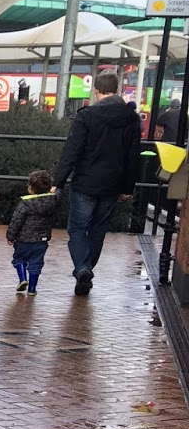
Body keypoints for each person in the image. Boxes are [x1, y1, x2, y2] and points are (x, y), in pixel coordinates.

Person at [54, 70, 137, 295]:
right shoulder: (131, 117)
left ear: (96, 90)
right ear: (117, 89)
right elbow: (132, 155)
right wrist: (127, 187)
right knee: (98, 230)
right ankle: (87, 269)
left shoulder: (87, 115)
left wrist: (58, 181)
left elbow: (72, 150)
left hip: (85, 182)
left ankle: (82, 268)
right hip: (112, 184)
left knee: (78, 228)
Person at [5, 169, 60, 295]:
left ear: (31, 188)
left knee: (19, 259)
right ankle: (32, 289)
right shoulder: (52, 201)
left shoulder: (25, 203)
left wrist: (10, 235)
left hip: (23, 240)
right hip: (41, 240)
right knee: (36, 263)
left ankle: (23, 279)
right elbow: (59, 192)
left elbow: (16, 220)